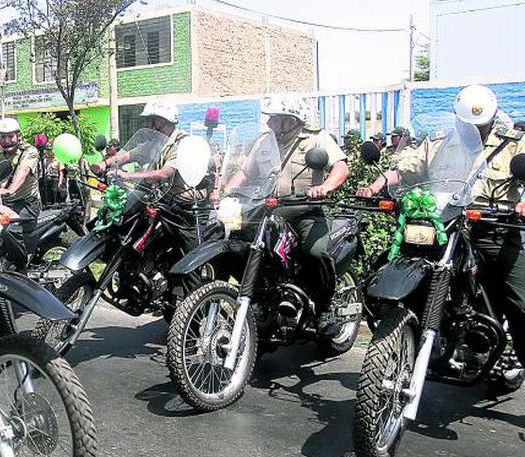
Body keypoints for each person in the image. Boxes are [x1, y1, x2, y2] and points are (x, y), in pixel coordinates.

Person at [361, 84, 525, 375]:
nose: (476, 128)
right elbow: (403, 170)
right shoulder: (439, 142)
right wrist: (374, 187)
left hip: (492, 230)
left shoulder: (514, 143)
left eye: (482, 122)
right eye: (469, 123)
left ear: (493, 117)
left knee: (520, 301)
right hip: (444, 226)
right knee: (396, 262)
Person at [224, 95, 350, 322]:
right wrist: (227, 191)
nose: (269, 123)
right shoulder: (264, 142)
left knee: (315, 252)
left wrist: (324, 187)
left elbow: (340, 167)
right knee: (239, 244)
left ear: (290, 121)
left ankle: (325, 306)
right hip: (267, 210)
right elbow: (245, 172)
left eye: (275, 119)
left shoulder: (316, 139)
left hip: (305, 211)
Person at [90, 99, 212, 285]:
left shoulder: (183, 144)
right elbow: (130, 154)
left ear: (164, 121)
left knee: (191, 261)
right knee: (128, 228)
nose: (147, 125)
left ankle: (198, 304)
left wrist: (128, 176)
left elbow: (164, 174)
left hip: (183, 209)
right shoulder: (155, 142)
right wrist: (104, 163)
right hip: (161, 202)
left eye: (151, 121)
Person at [0, 117, 41, 221]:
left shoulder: (29, 151)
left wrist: (9, 190)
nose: (7, 141)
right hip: (2, 203)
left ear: (18, 136)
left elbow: (24, 171)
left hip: (26, 203)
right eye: (3, 137)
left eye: (11, 136)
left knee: (9, 228)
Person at [356, 126, 414, 197]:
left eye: (394, 137)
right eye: (391, 136)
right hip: (382, 186)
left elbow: (402, 171)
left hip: (402, 191)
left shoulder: (411, 153)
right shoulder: (385, 151)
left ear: (402, 137)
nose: (391, 139)